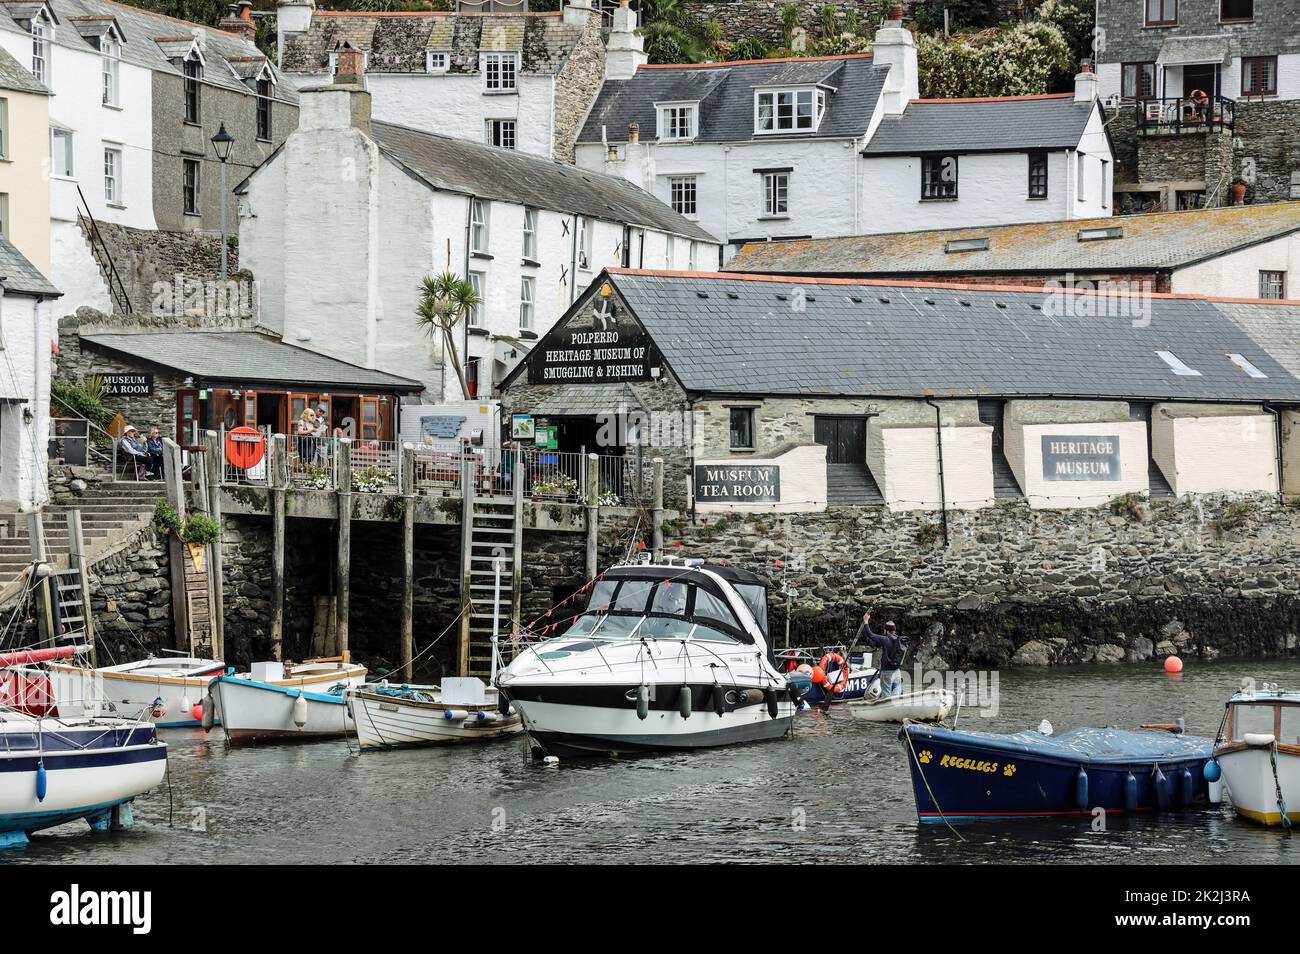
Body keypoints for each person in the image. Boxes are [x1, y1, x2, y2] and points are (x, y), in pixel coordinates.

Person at [858, 612, 908, 699]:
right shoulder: (900, 641)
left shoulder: (884, 639)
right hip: (897, 671)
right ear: (894, 631)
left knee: (886, 695)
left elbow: (870, 634)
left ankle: (887, 710)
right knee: (896, 693)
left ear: (886, 631)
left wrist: (866, 621)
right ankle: (896, 709)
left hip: (887, 672)